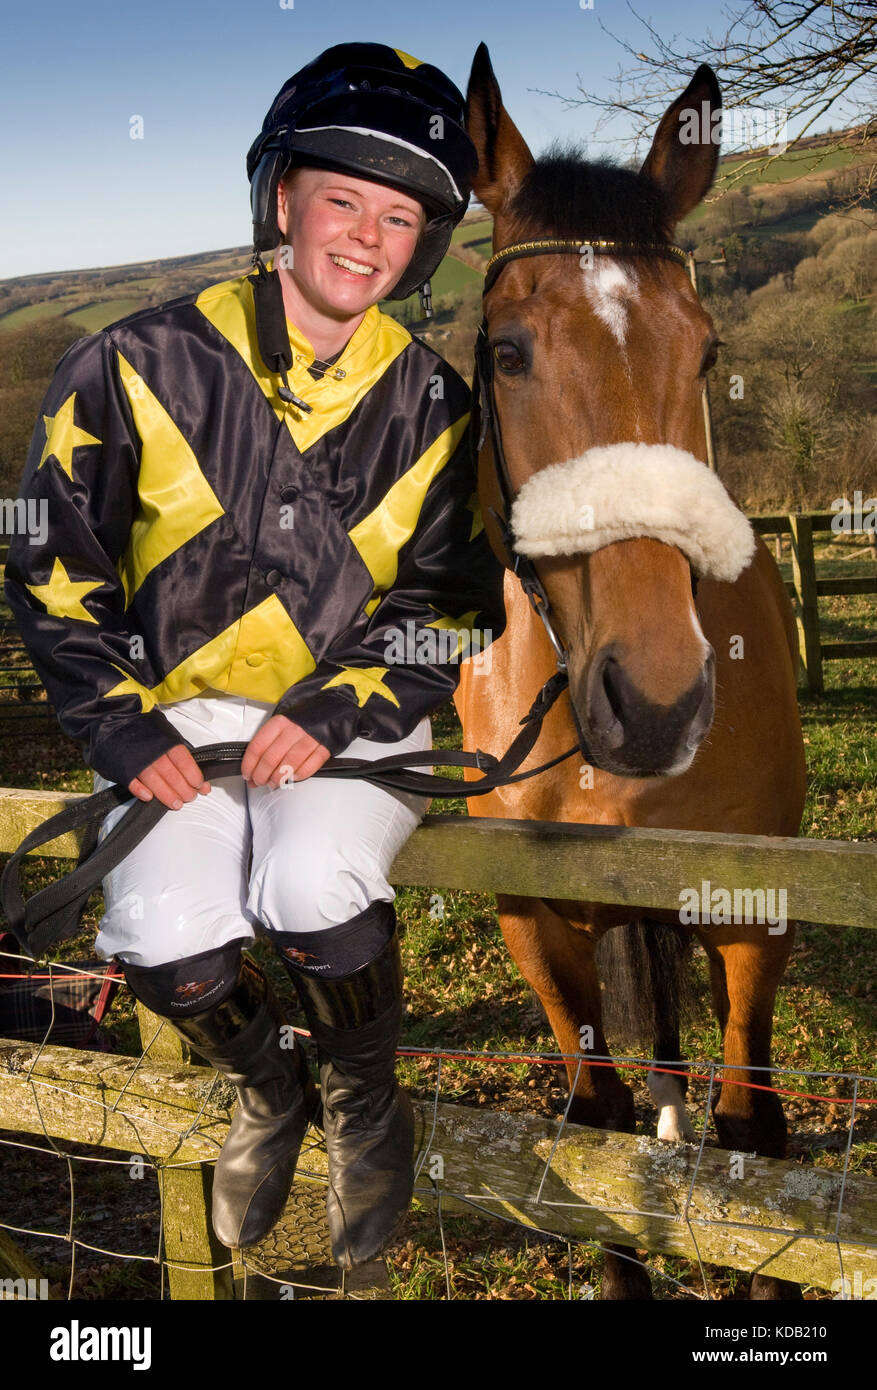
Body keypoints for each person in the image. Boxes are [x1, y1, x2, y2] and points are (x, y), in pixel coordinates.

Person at [4, 42, 506, 1269]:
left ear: (423, 245)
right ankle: (270, 1085)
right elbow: (46, 563)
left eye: (400, 218)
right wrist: (119, 725)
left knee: (310, 889)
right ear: (282, 200)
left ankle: (362, 1097)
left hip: (356, 720)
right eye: (344, 199)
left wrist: (340, 705)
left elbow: (452, 609)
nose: (366, 238)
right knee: (166, 929)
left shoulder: (439, 408)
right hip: (179, 719)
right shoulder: (125, 364)